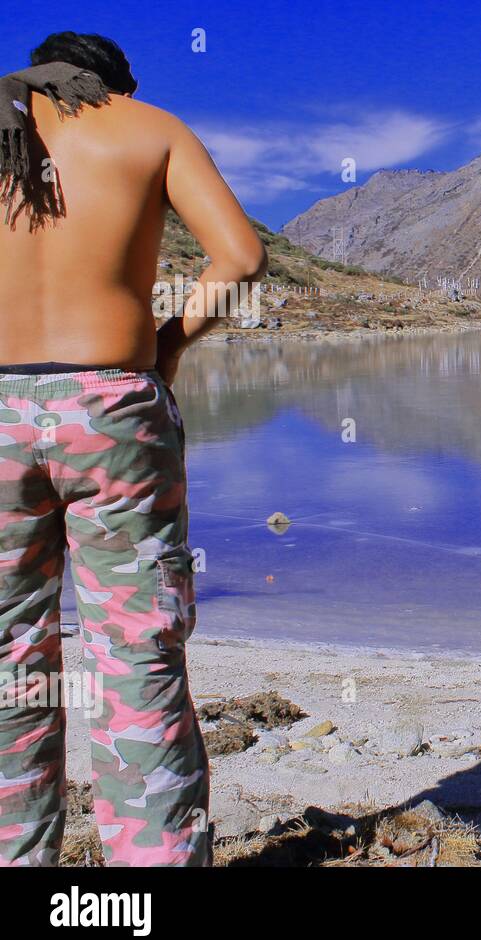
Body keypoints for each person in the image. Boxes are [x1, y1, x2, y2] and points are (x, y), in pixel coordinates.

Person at [0, 32, 267, 866]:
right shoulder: (149, 127)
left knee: (11, 658)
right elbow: (243, 258)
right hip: (114, 408)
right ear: (111, 81)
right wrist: (173, 344)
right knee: (134, 653)